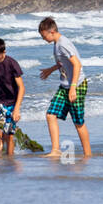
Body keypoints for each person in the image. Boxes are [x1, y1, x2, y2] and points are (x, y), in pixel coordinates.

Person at [38, 17, 91, 158]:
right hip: (65, 85)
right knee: (50, 115)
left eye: (44, 36)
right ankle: (55, 150)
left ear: (52, 31)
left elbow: (77, 64)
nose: (43, 39)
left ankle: (88, 155)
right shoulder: (56, 44)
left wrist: (73, 88)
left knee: (78, 121)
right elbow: (63, 62)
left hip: (77, 85)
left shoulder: (63, 44)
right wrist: (51, 69)